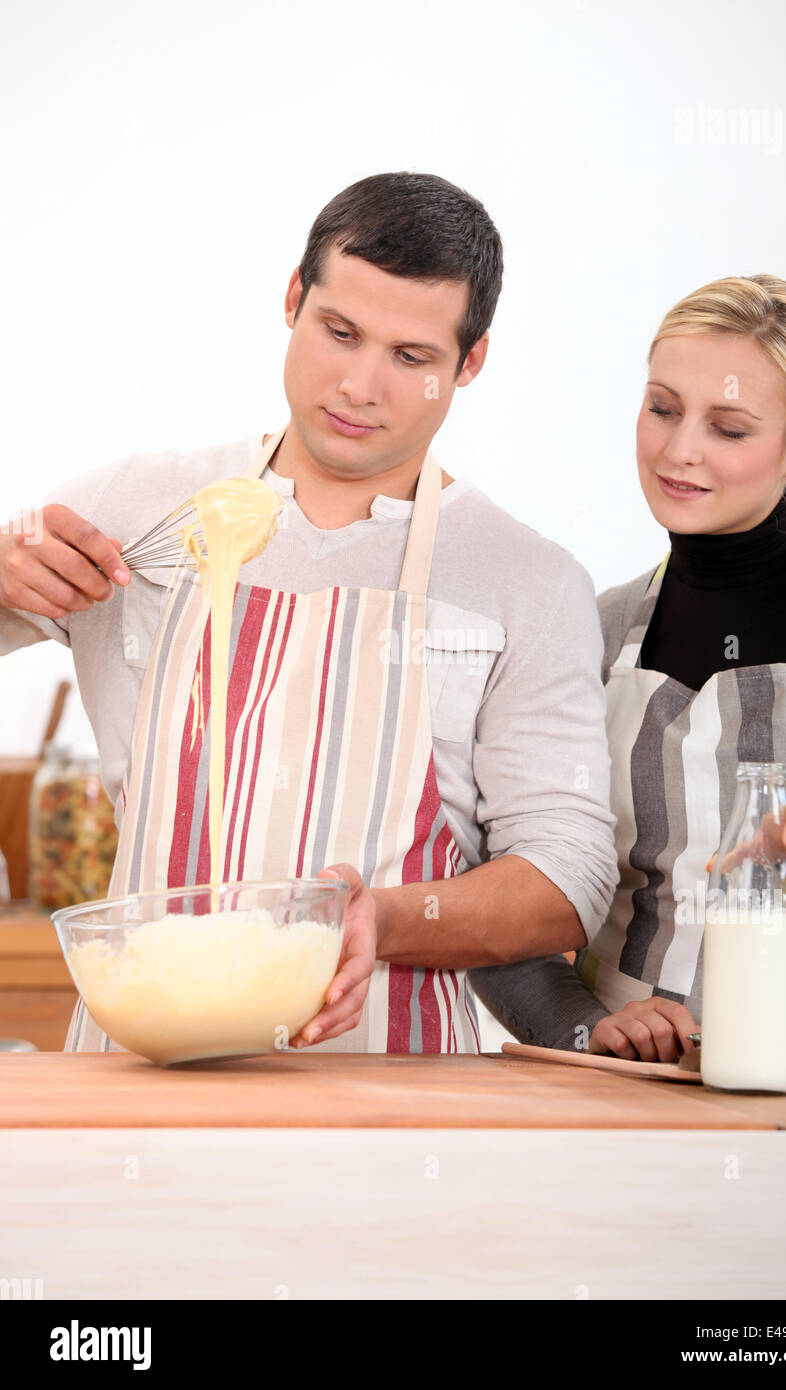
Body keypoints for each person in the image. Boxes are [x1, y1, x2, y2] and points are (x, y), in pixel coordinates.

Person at [0, 171, 617, 1053]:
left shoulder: (528, 580)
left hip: (395, 1086)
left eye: (412, 358)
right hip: (137, 1076)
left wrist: (384, 921)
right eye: (340, 333)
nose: (360, 386)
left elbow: (569, 878)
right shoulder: (137, 510)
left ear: (469, 364)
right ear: (294, 299)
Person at [471, 273, 786, 1058]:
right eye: (662, 409)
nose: (678, 451)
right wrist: (586, 1027)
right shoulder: (594, 624)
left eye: (728, 427)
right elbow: (505, 896)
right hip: (625, 1095)